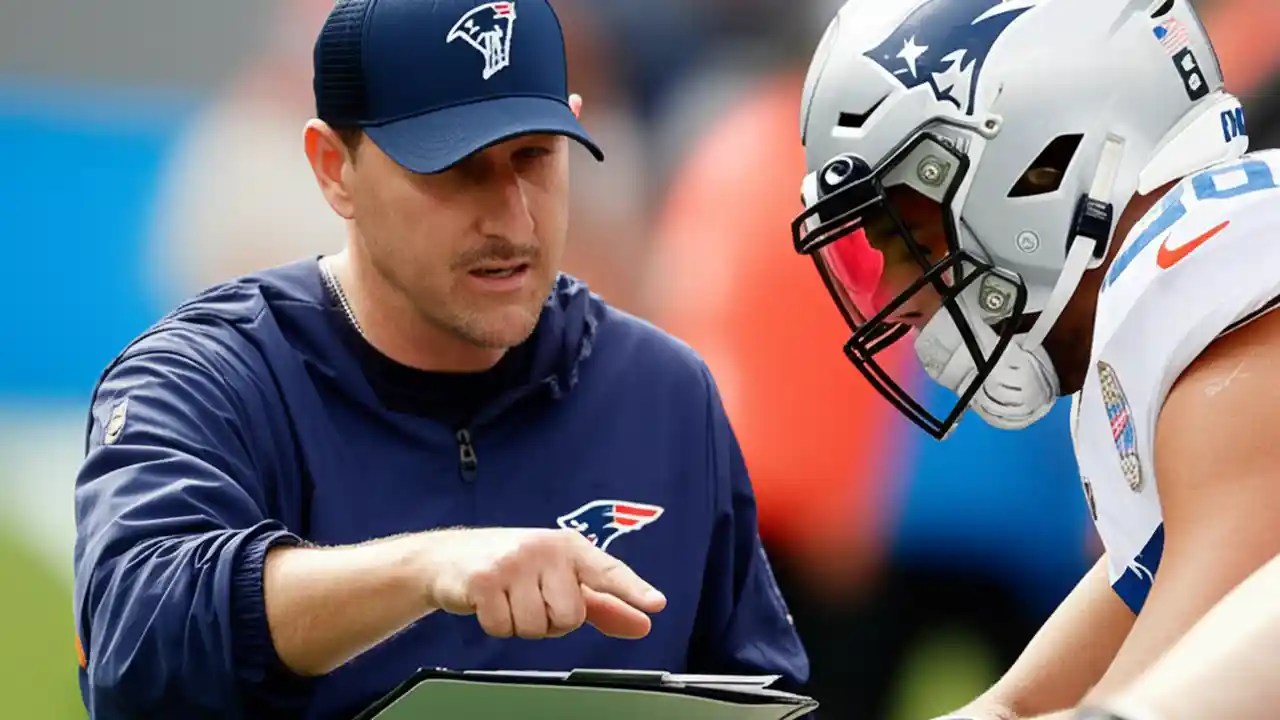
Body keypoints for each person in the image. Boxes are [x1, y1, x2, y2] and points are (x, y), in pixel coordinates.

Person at [71, 1, 808, 718]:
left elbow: (762, 693)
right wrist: (429, 570)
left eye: (534, 157)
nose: (511, 218)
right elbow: (135, 646)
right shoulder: (208, 378)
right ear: (334, 168)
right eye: (455, 168)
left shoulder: (662, 391)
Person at [787, 0, 1279, 718]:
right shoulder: (1162, 347)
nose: (901, 295)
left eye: (912, 236)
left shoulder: (1219, 337)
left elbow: (1147, 707)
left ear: (1044, 164)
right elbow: (1013, 706)